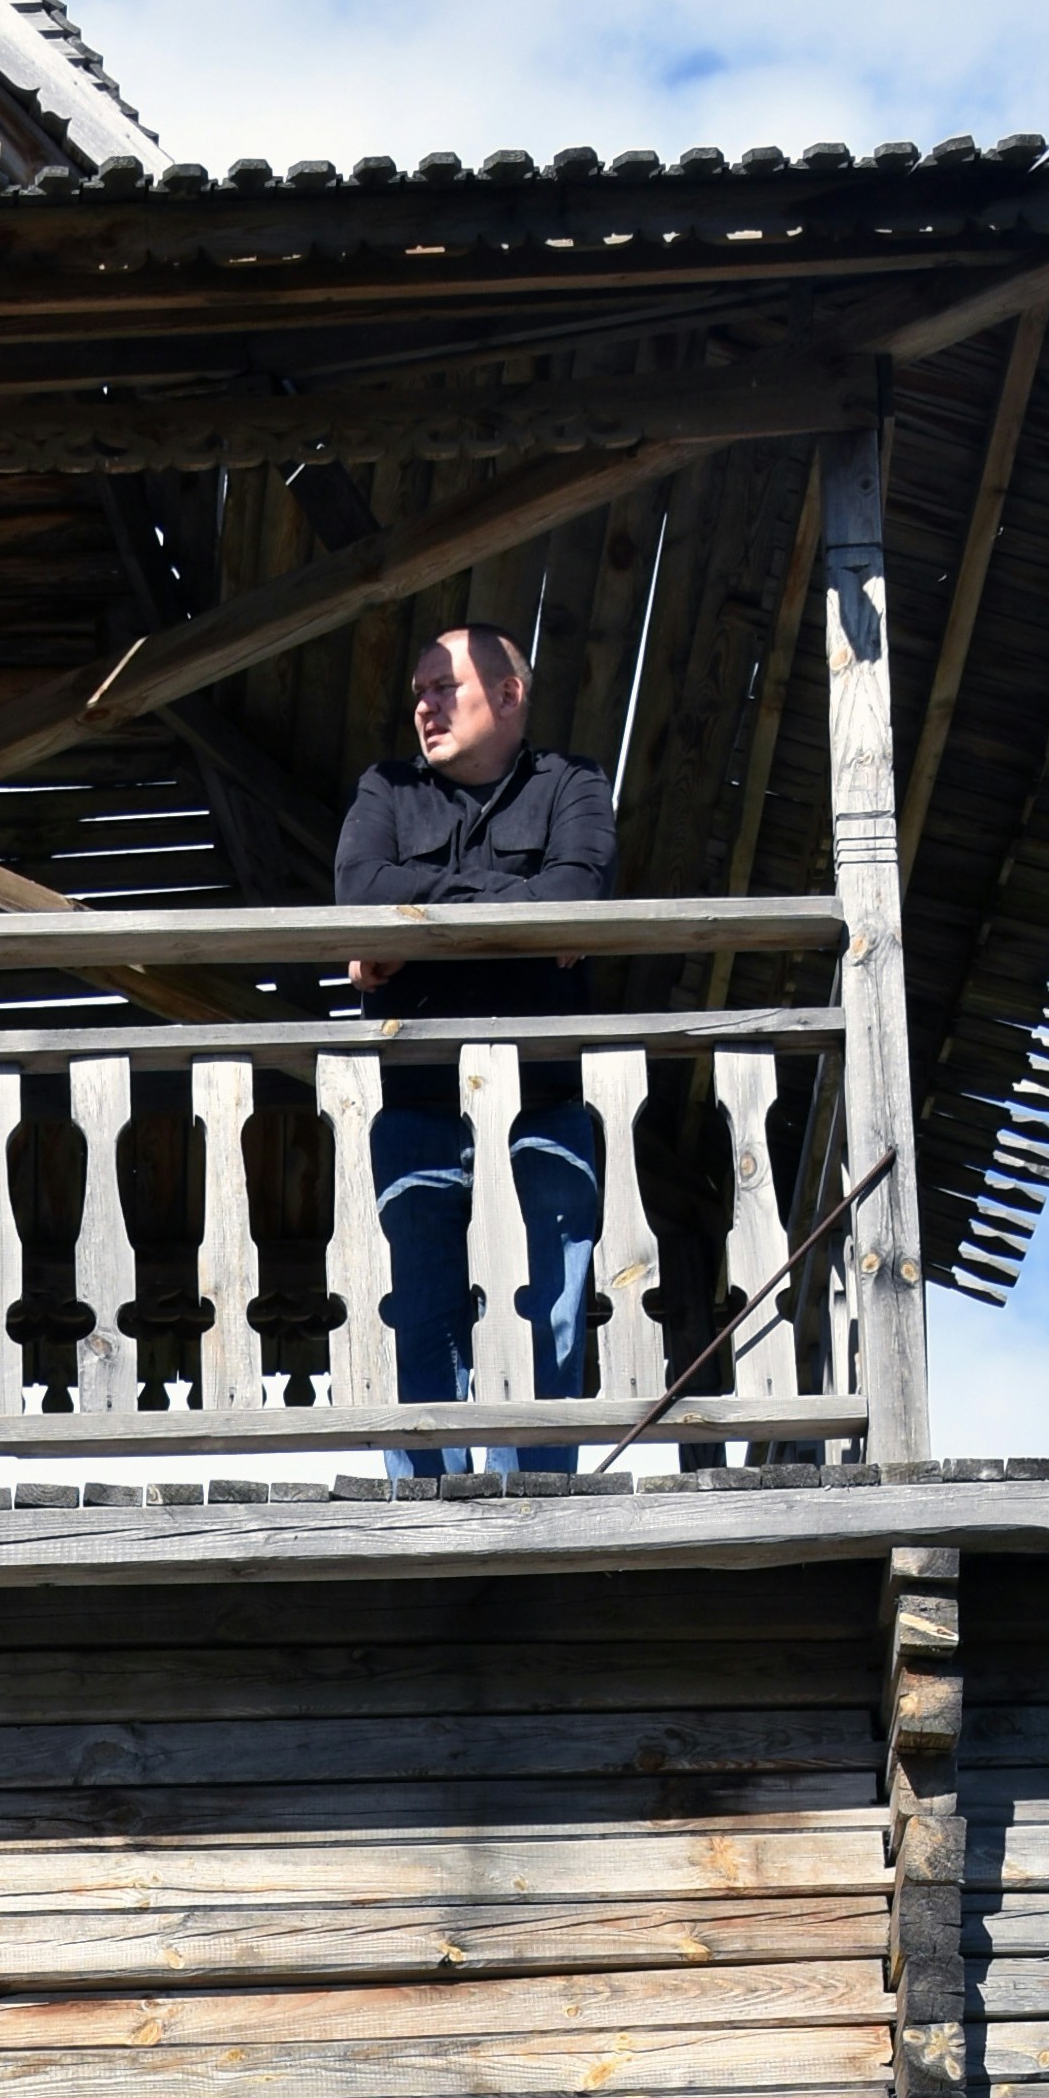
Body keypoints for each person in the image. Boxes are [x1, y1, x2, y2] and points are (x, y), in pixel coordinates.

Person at [334, 627, 616, 1477]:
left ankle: (542, 1478)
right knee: (423, 1300)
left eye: (440, 688)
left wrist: (418, 932)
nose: (422, 707)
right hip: (420, 1102)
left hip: (546, 1099)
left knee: (555, 1295)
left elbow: (578, 892)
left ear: (507, 694)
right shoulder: (384, 789)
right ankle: (427, 1490)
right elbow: (361, 890)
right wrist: (518, 919)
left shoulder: (575, 785)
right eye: (416, 692)